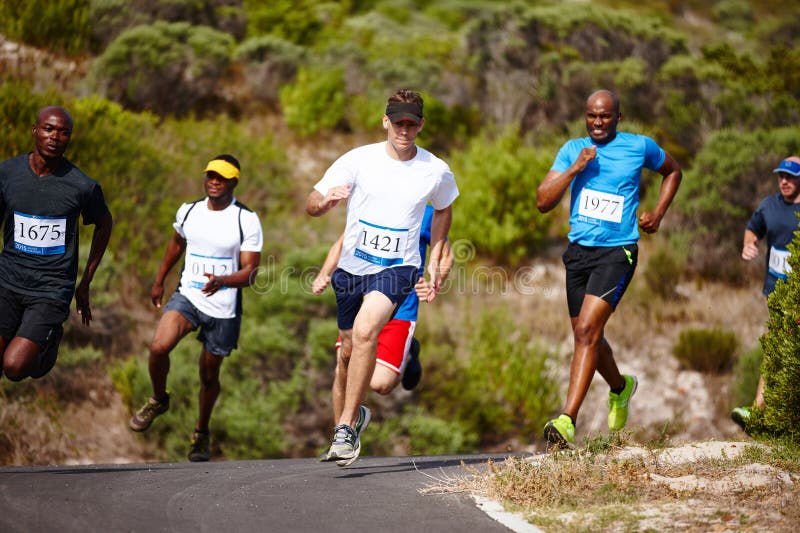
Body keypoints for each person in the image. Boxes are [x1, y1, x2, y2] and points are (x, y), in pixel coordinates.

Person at [306, 89, 458, 465]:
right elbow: (312, 203)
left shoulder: (434, 169)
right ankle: (352, 421)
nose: (404, 129)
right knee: (345, 356)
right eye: (398, 122)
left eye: (412, 123)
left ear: (420, 125)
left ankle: (344, 430)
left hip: (398, 270)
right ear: (385, 121)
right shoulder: (358, 160)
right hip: (352, 270)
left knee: (364, 332)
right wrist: (324, 203)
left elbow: (444, 210)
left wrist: (435, 263)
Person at [536, 89, 682, 448]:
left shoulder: (640, 146)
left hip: (618, 252)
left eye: (604, 116)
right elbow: (542, 201)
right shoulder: (573, 150)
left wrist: (658, 213)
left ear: (618, 117)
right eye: (591, 116)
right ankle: (620, 386)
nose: (597, 123)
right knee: (589, 336)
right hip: (578, 254)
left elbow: (674, 171)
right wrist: (574, 169)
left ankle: (567, 420)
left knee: (587, 330)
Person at [128, 154, 263, 462]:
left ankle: (201, 432)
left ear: (234, 182)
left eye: (222, 177)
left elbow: (251, 272)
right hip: (188, 295)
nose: (214, 181)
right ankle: (159, 399)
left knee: (209, 376)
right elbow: (177, 243)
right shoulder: (189, 211)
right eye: (210, 176)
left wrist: (224, 280)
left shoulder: (245, 219)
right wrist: (159, 280)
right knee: (159, 346)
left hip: (224, 307)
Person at [312, 205, 453, 465]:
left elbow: (446, 255)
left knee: (381, 385)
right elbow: (342, 243)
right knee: (343, 361)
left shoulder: (428, 212)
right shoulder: (374, 200)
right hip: (362, 299)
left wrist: (436, 280)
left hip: (401, 306)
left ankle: (409, 354)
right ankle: (342, 437)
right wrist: (324, 273)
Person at [0, 106, 113, 381]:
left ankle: (47, 345)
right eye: (49, 129)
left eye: (63, 133)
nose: (55, 137)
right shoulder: (8, 172)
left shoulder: (81, 185)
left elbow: (104, 224)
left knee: (14, 367)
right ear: (35, 131)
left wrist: (85, 281)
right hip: (7, 280)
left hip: (51, 289)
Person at [731, 156, 800, 431]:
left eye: (791, 176)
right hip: (776, 290)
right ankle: (760, 411)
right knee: (776, 345)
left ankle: (766, 412)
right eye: (781, 176)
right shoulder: (769, 205)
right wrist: (749, 244)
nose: (784, 181)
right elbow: (753, 228)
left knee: (783, 343)